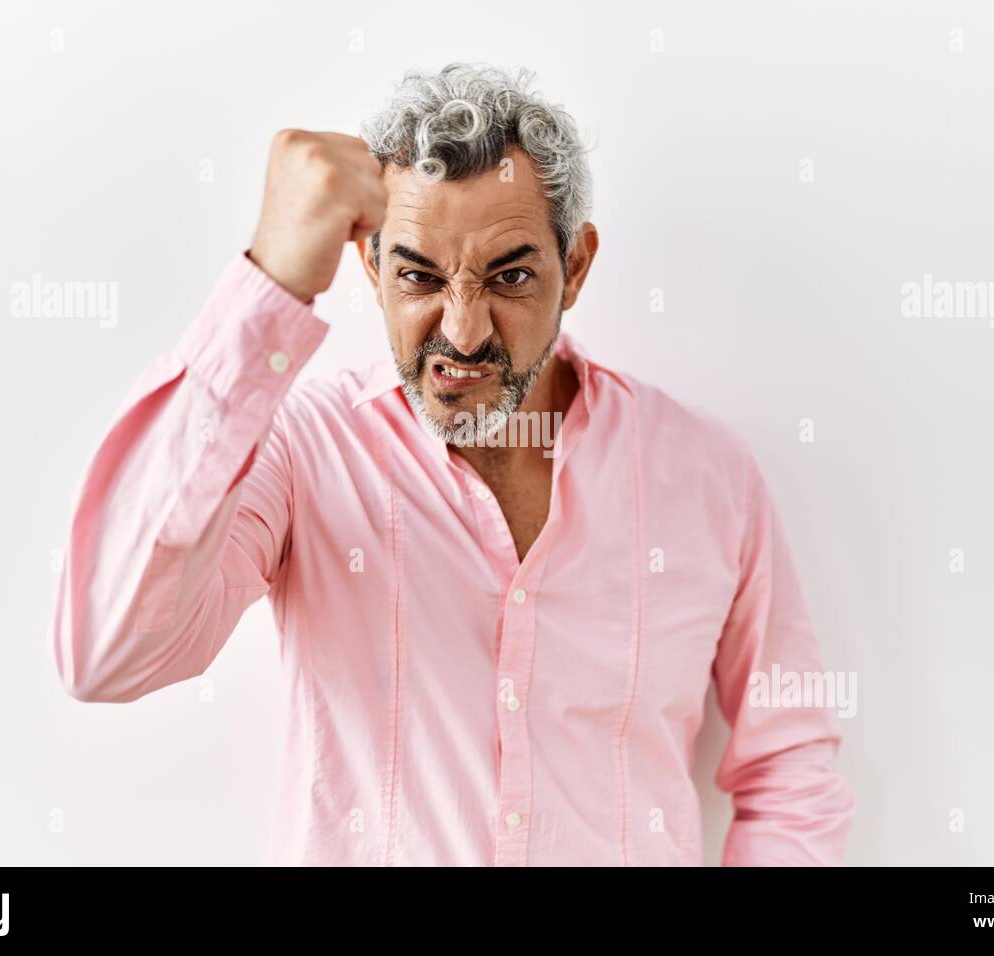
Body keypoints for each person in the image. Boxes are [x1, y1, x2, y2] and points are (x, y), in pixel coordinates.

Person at [49, 62, 855, 866]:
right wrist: (271, 282)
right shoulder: (302, 449)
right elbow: (107, 655)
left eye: (509, 275)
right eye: (419, 276)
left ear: (574, 267)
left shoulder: (706, 473)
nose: (463, 333)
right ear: (368, 268)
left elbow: (789, 771)